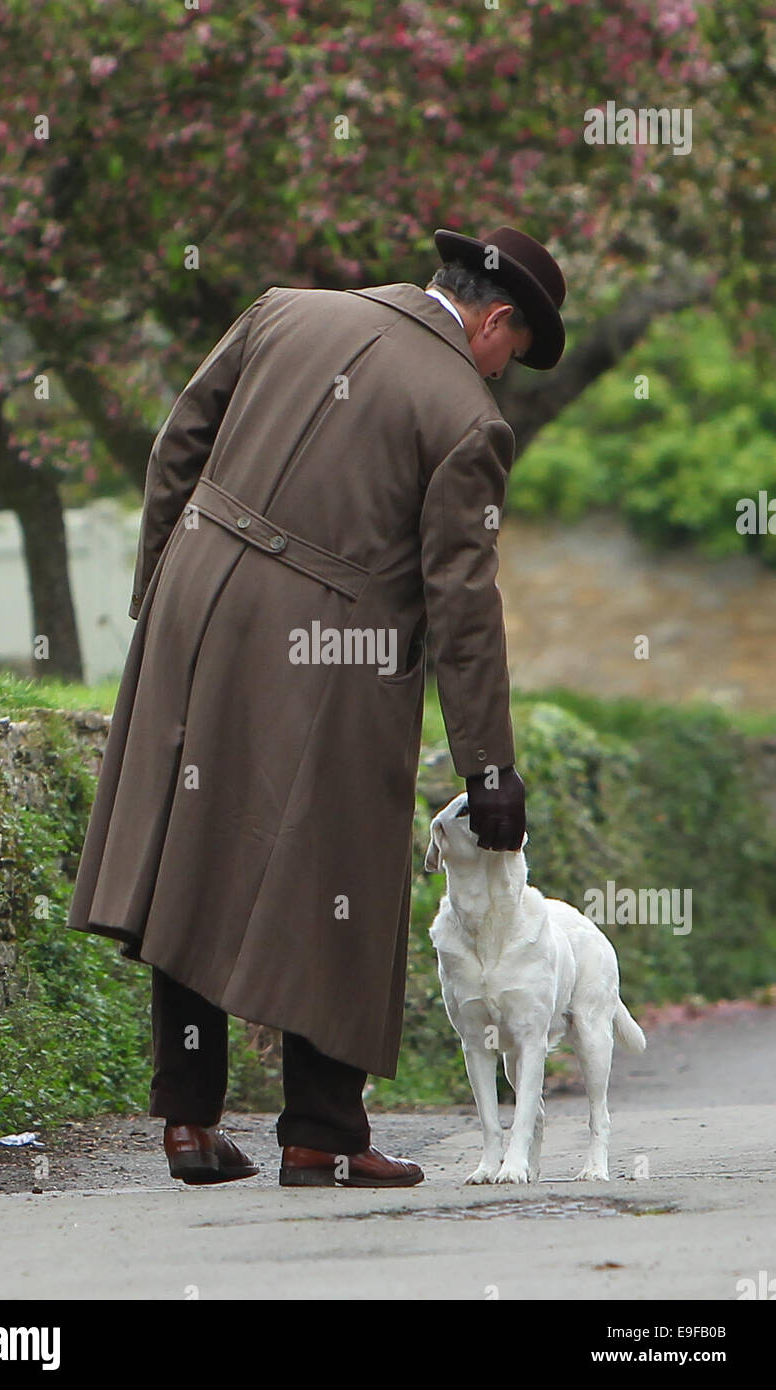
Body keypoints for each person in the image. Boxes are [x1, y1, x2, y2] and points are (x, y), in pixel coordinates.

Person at [66, 225, 566, 1188]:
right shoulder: (468, 416)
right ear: (494, 318)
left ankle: (188, 1124)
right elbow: (461, 599)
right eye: (514, 352)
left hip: (197, 610)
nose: (505, 373)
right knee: (345, 877)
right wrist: (489, 767)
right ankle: (321, 1131)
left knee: (191, 852)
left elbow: (177, 447)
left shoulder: (282, 309)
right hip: (339, 647)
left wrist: (160, 597)